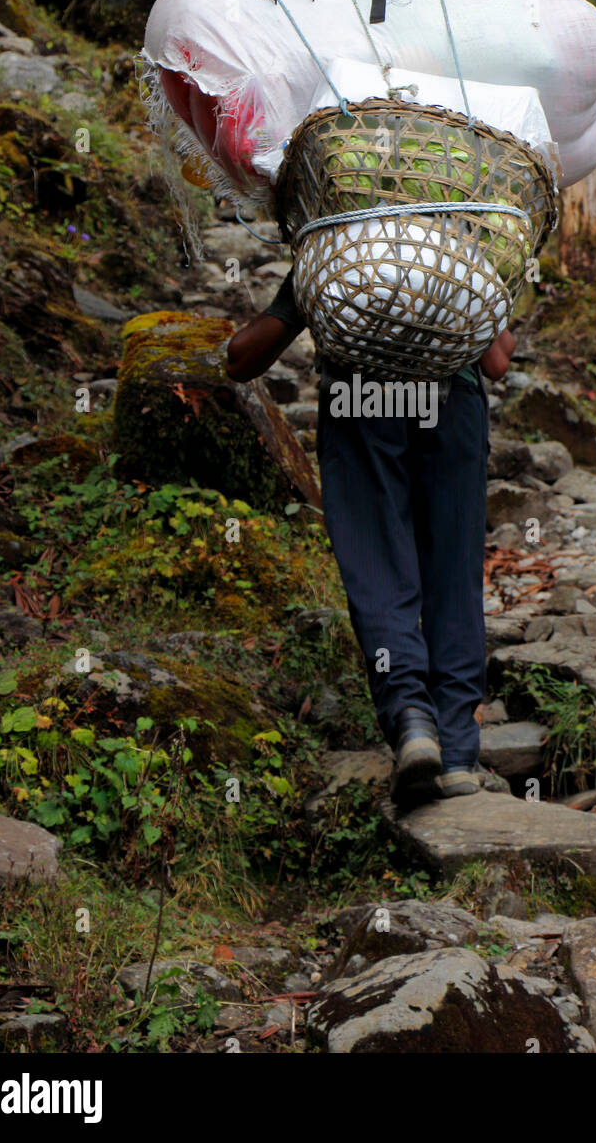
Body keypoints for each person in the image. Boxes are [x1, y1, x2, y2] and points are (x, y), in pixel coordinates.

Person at [227, 270, 515, 806]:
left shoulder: (342, 246)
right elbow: (496, 363)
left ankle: (411, 721)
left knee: (378, 560)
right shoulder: (463, 251)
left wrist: (305, 289)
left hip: (361, 397)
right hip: (452, 399)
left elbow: (242, 358)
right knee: (453, 571)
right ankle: (456, 752)